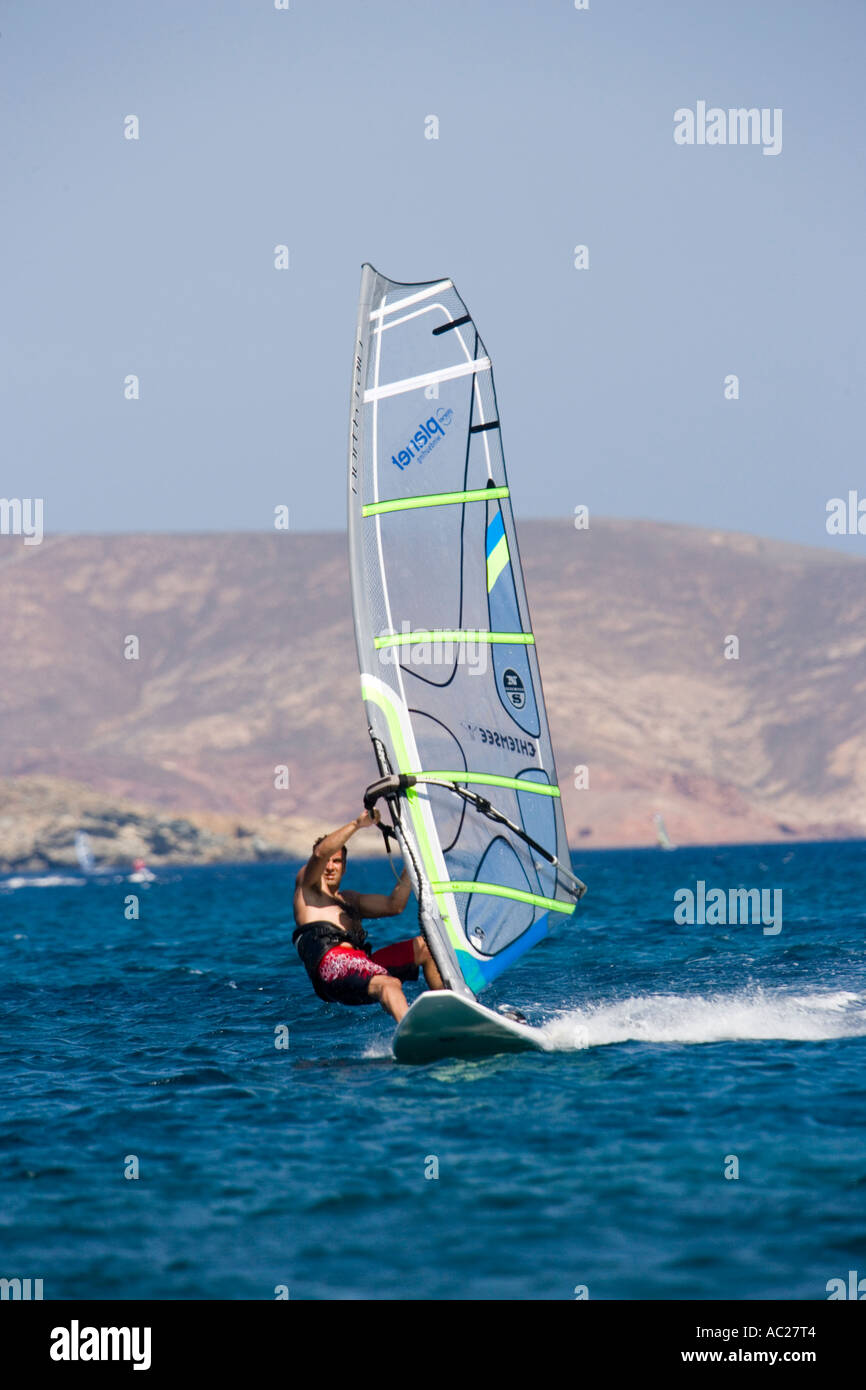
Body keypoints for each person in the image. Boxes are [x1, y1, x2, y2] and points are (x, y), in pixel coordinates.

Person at [292, 809, 445, 1022]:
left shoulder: (350, 900)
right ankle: (411, 1029)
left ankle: (449, 1011)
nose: (329, 867)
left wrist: (413, 863)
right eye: (327, 861)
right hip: (332, 967)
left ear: (344, 868)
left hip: (362, 963)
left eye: (336, 862)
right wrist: (357, 824)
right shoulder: (307, 888)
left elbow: (395, 905)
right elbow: (319, 854)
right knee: (388, 983)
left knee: (425, 948)